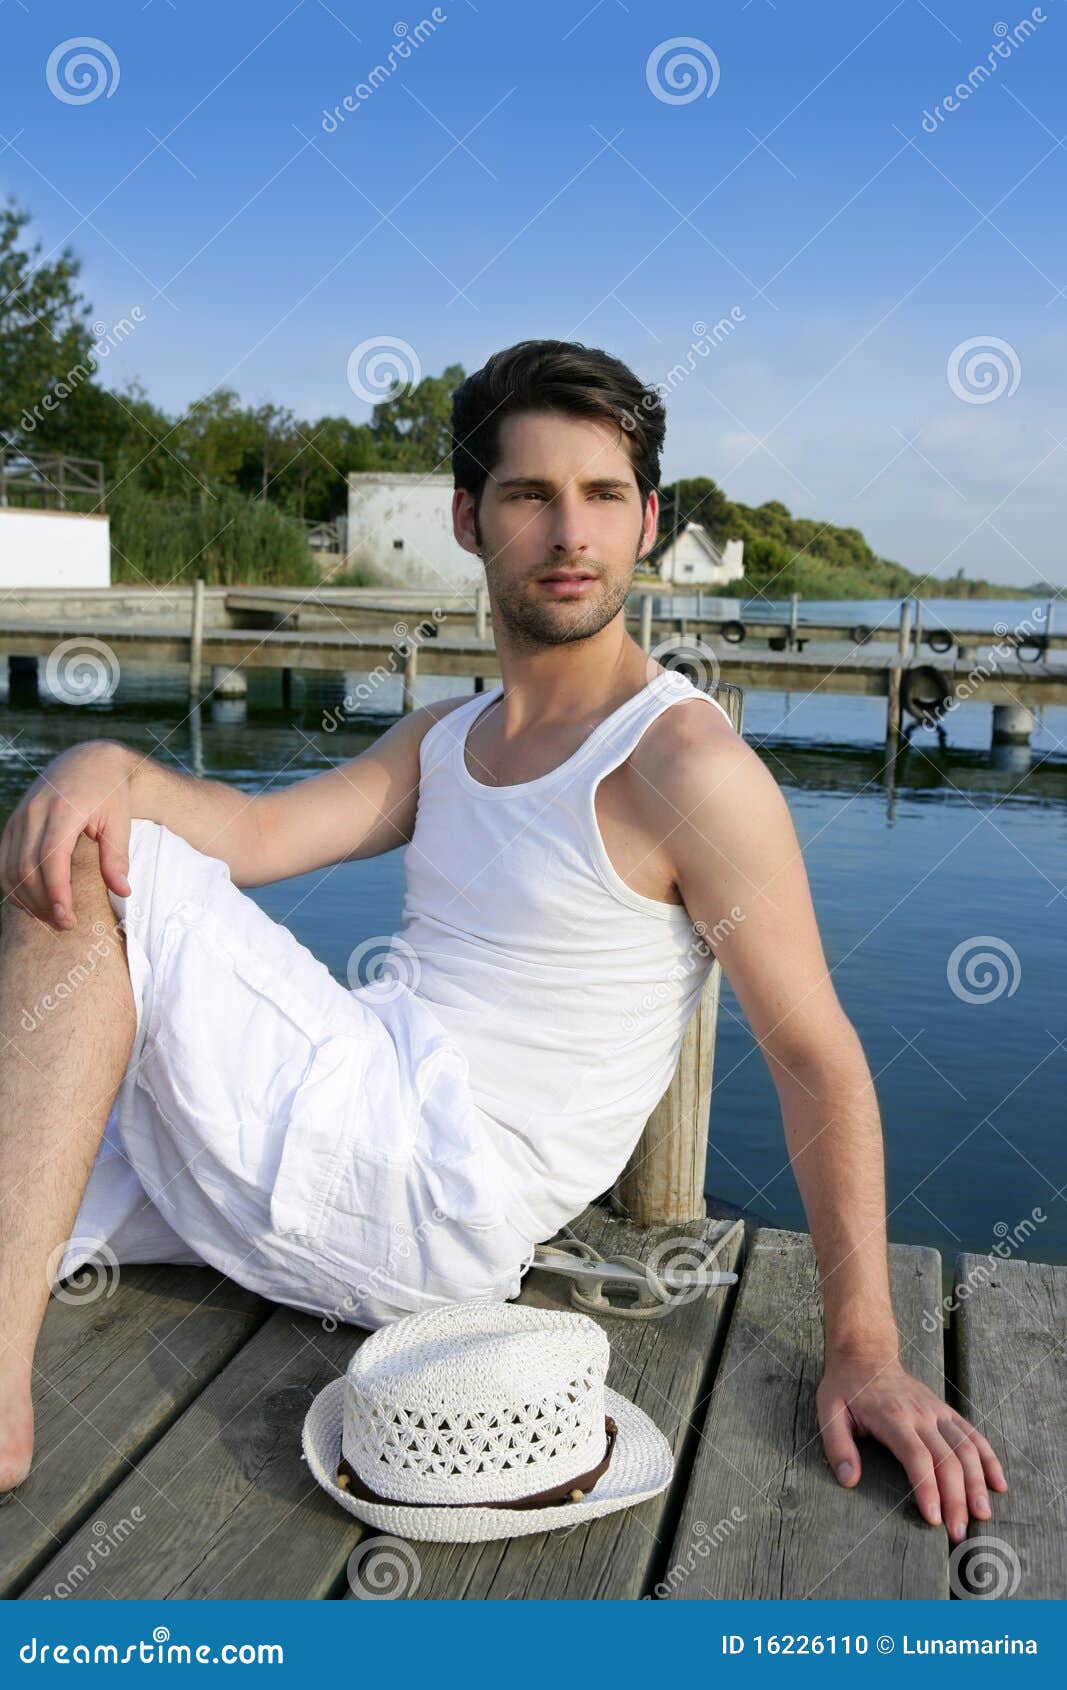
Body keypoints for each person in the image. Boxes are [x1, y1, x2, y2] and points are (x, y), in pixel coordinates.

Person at [0, 340, 1005, 1543]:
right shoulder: (445, 740)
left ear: (644, 522)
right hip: (362, 1146)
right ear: (471, 520)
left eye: (603, 495)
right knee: (47, 1067)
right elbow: (248, 832)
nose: (570, 533)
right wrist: (95, 756)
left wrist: (866, 1348)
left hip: (432, 1185)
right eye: (531, 495)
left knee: (81, 878)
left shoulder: (680, 763)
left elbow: (813, 1056)